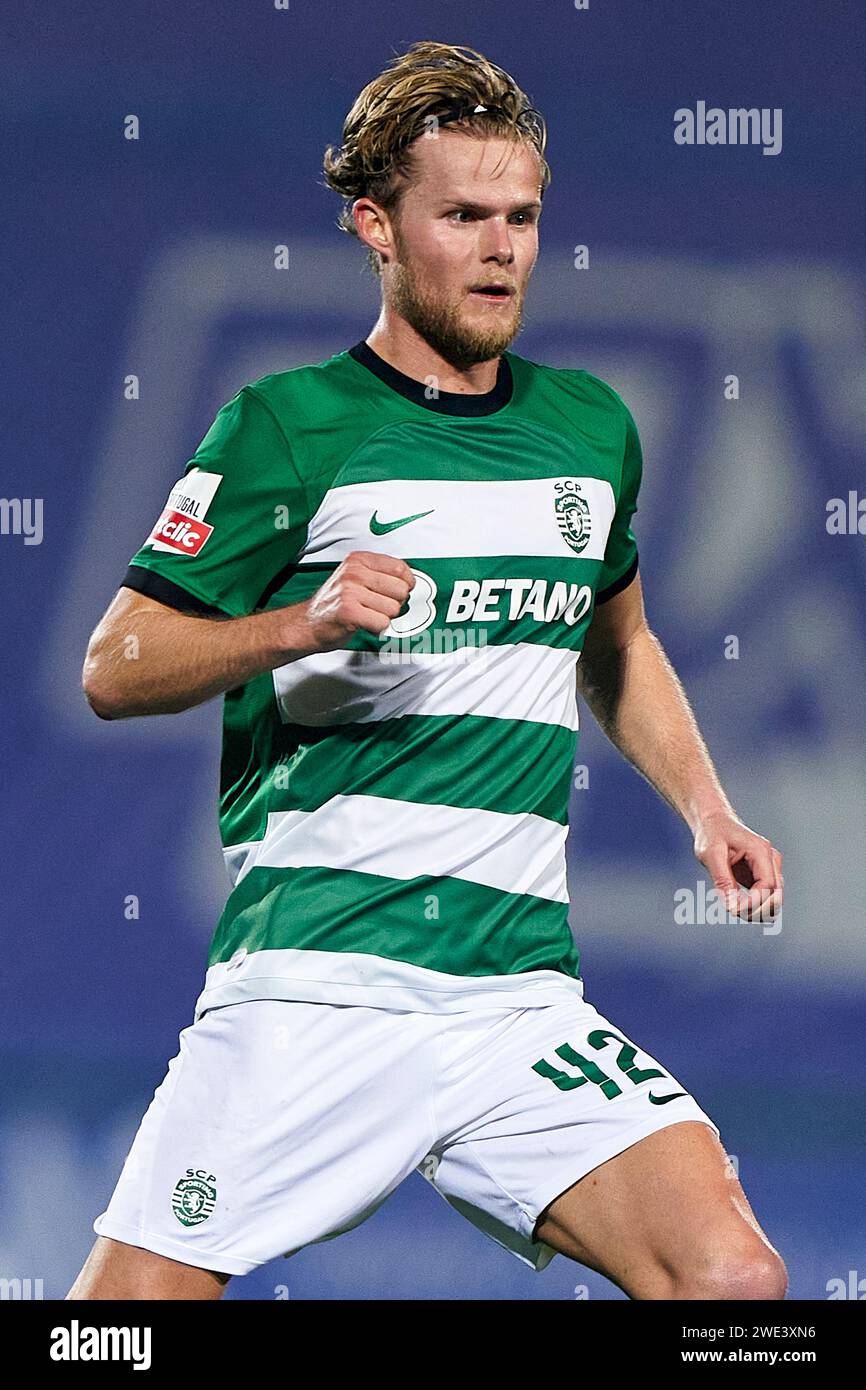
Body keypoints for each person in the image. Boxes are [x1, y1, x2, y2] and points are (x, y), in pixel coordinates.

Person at [68, 40, 786, 1301]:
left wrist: (705, 807)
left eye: (520, 219)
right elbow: (115, 666)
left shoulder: (588, 427)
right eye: (461, 216)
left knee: (730, 1282)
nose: (501, 249)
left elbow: (614, 641)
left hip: (513, 998)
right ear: (376, 228)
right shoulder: (287, 426)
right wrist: (295, 625)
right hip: (319, 988)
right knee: (114, 1329)